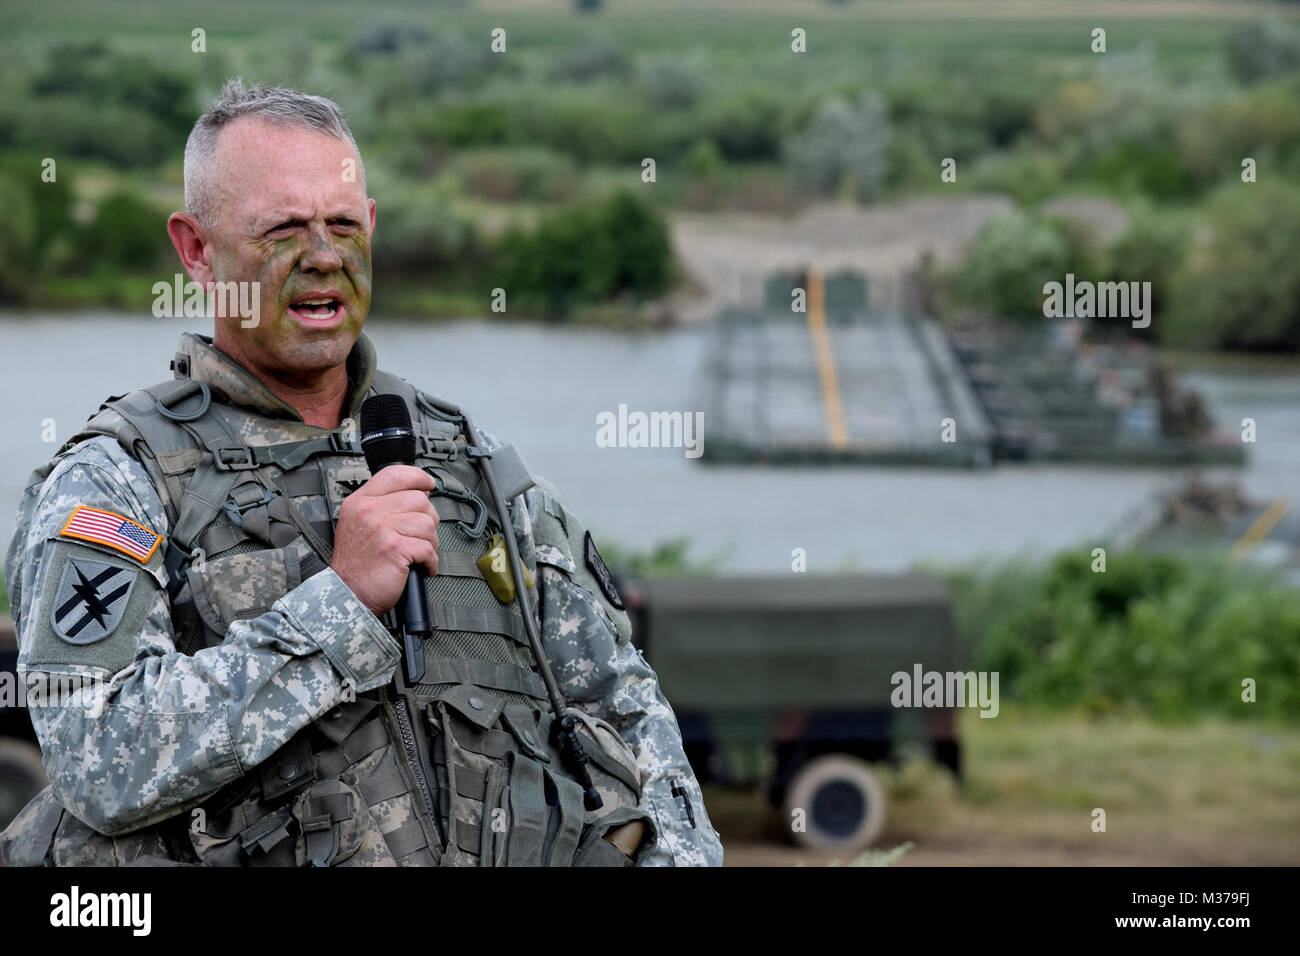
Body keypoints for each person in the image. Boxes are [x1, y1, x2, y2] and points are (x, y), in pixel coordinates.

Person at [0, 80, 722, 867]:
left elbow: (622, 704)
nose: (322, 256)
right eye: (281, 230)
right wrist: (338, 605)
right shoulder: (120, 479)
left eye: (342, 223)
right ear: (197, 249)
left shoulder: (470, 461)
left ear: (370, 226)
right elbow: (101, 761)